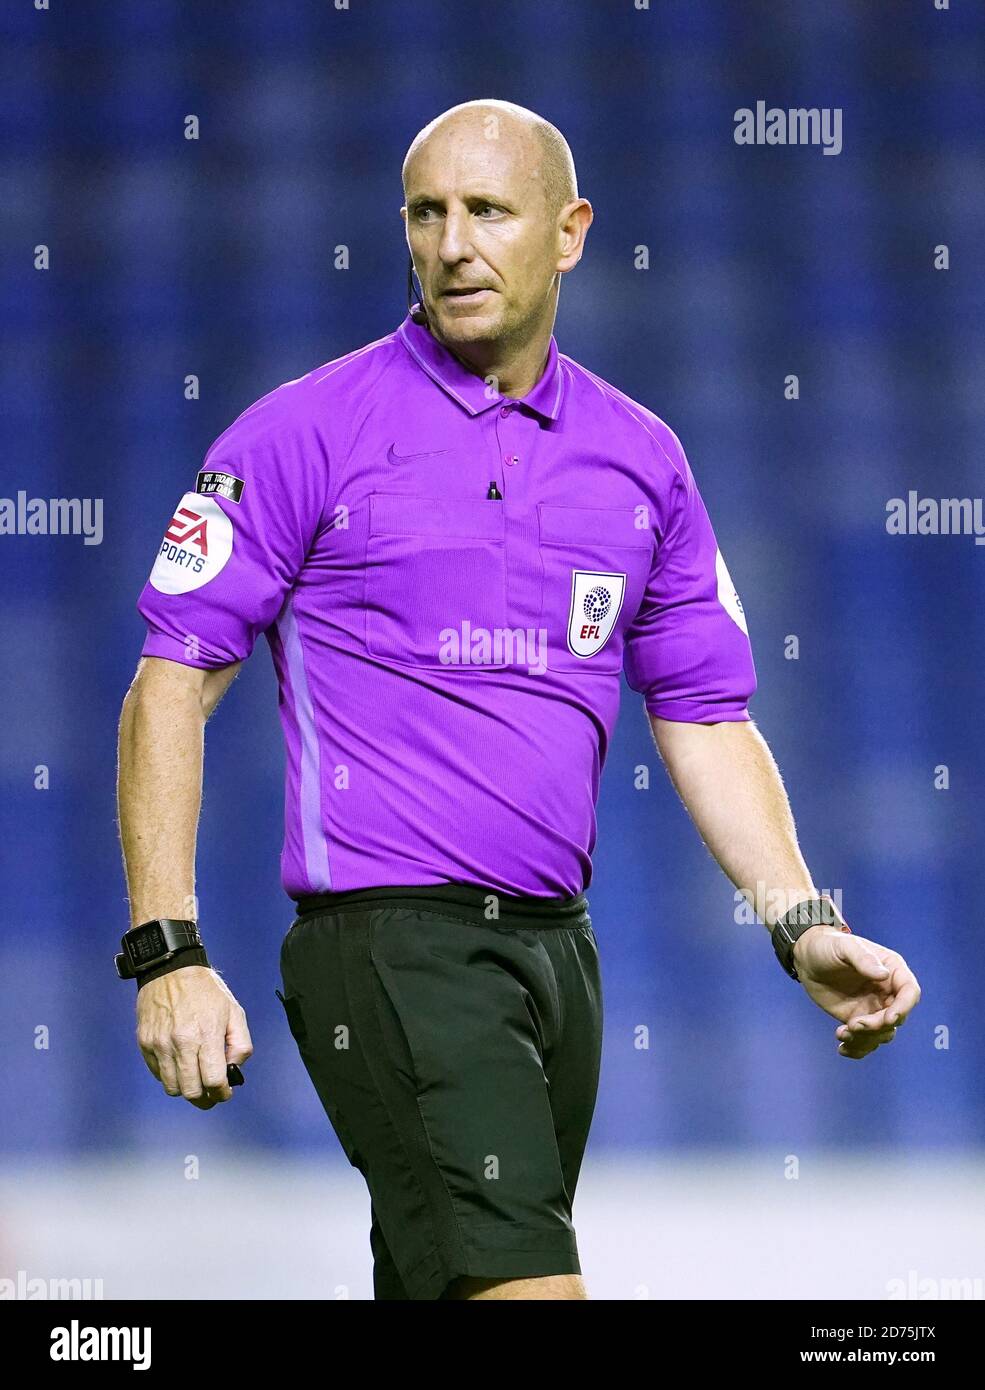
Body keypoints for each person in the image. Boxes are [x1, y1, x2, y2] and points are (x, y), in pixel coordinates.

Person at [116, 99, 921, 1301]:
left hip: (558, 952)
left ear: (569, 231)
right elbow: (170, 677)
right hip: (394, 948)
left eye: (486, 211)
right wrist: (166, 949)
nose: (451, 244)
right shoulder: (303, 433)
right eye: (426, 213)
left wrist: (799, 921)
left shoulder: (641, 458)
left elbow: (704, 713)